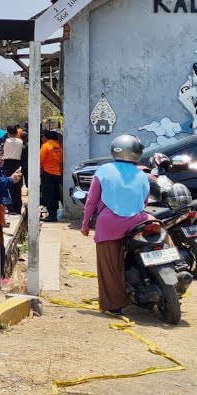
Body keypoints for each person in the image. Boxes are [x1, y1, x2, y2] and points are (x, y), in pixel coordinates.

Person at [80, 134, 151, 313]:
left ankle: (115, 305)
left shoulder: (103, 170)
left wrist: (85, 224)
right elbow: (144, 202)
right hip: (137, 222)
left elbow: (91, 201)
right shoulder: (142, 174)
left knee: (109, 266)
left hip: (109, 224)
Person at [39, 130, 64, 221]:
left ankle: (52, 215)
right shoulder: (59, 146)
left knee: (48, 194)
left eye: (42, 137)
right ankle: (54, 213)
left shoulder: (46, 146)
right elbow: (61, 161)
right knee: (55, 194)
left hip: (48, 173)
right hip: (57, 173)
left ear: (45, 137)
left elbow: (40, 159)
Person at [0, 125, 24, 214]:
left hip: (7, 163)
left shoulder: (5, 141)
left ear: (8, 132)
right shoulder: (20, 141)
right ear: (17, 132)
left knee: (8, 185)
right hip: (17, 164)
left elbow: (2, 151)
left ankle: (11, 208)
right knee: (17, 186)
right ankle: (18, 208)